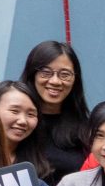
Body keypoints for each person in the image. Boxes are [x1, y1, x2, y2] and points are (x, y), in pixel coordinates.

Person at [18, 40, 93, 175]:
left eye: (65, 74)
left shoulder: (86, 130)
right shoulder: (18, 124)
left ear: (75, 79)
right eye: (46, 72)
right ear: (32, 75)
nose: (55, 81)